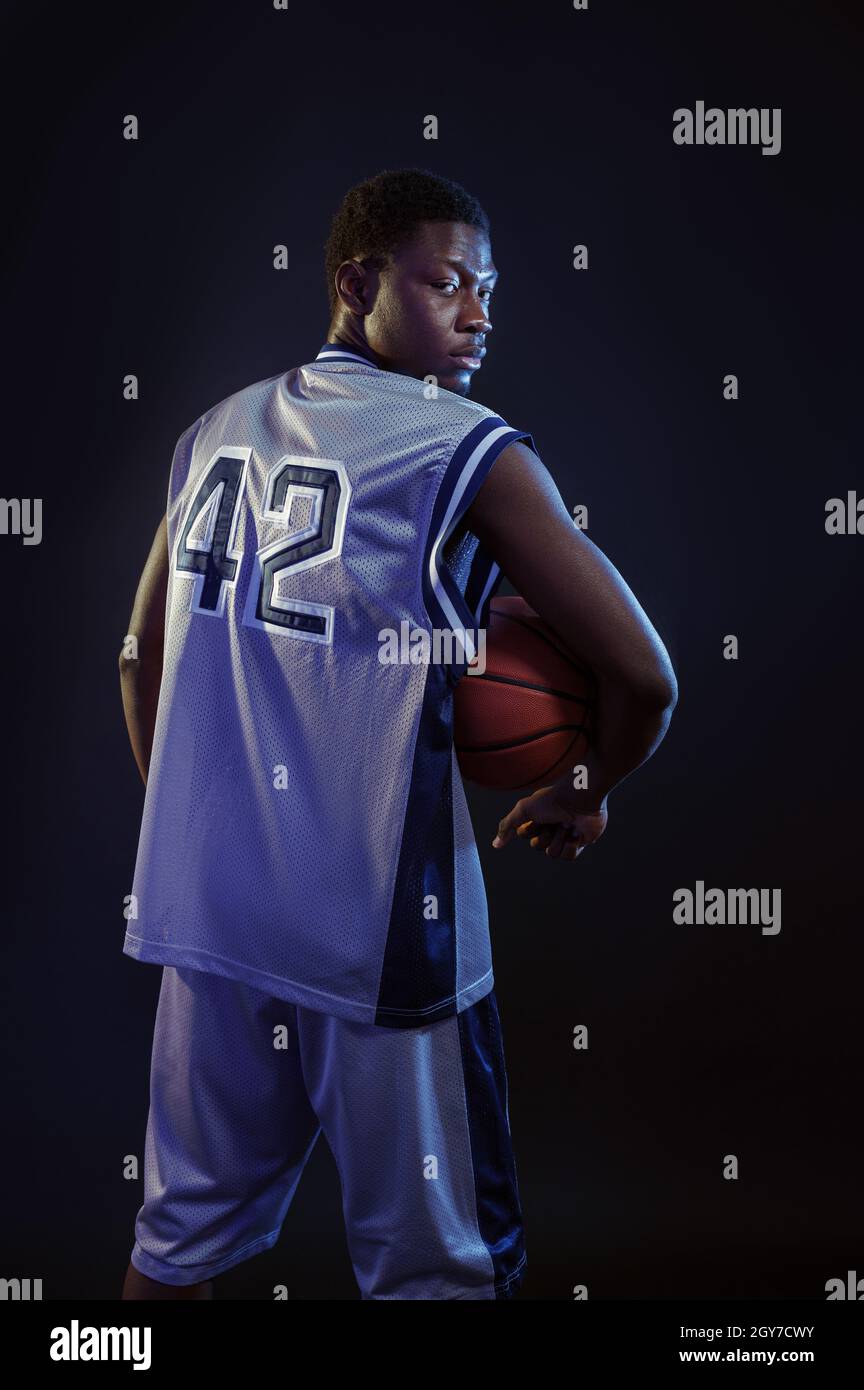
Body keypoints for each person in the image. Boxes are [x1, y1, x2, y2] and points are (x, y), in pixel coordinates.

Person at [118, 167, 677, 1301]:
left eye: (489, 288)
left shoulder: (213, 429)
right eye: (445, 283)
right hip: (379, 940)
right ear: (353, 283)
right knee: (439, 1272)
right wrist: (587, 778)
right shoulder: (465, 448)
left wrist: (206, 824)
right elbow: (644, 673)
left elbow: (137, 660)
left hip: (211, 926)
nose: (479, 313)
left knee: (177, 1247)